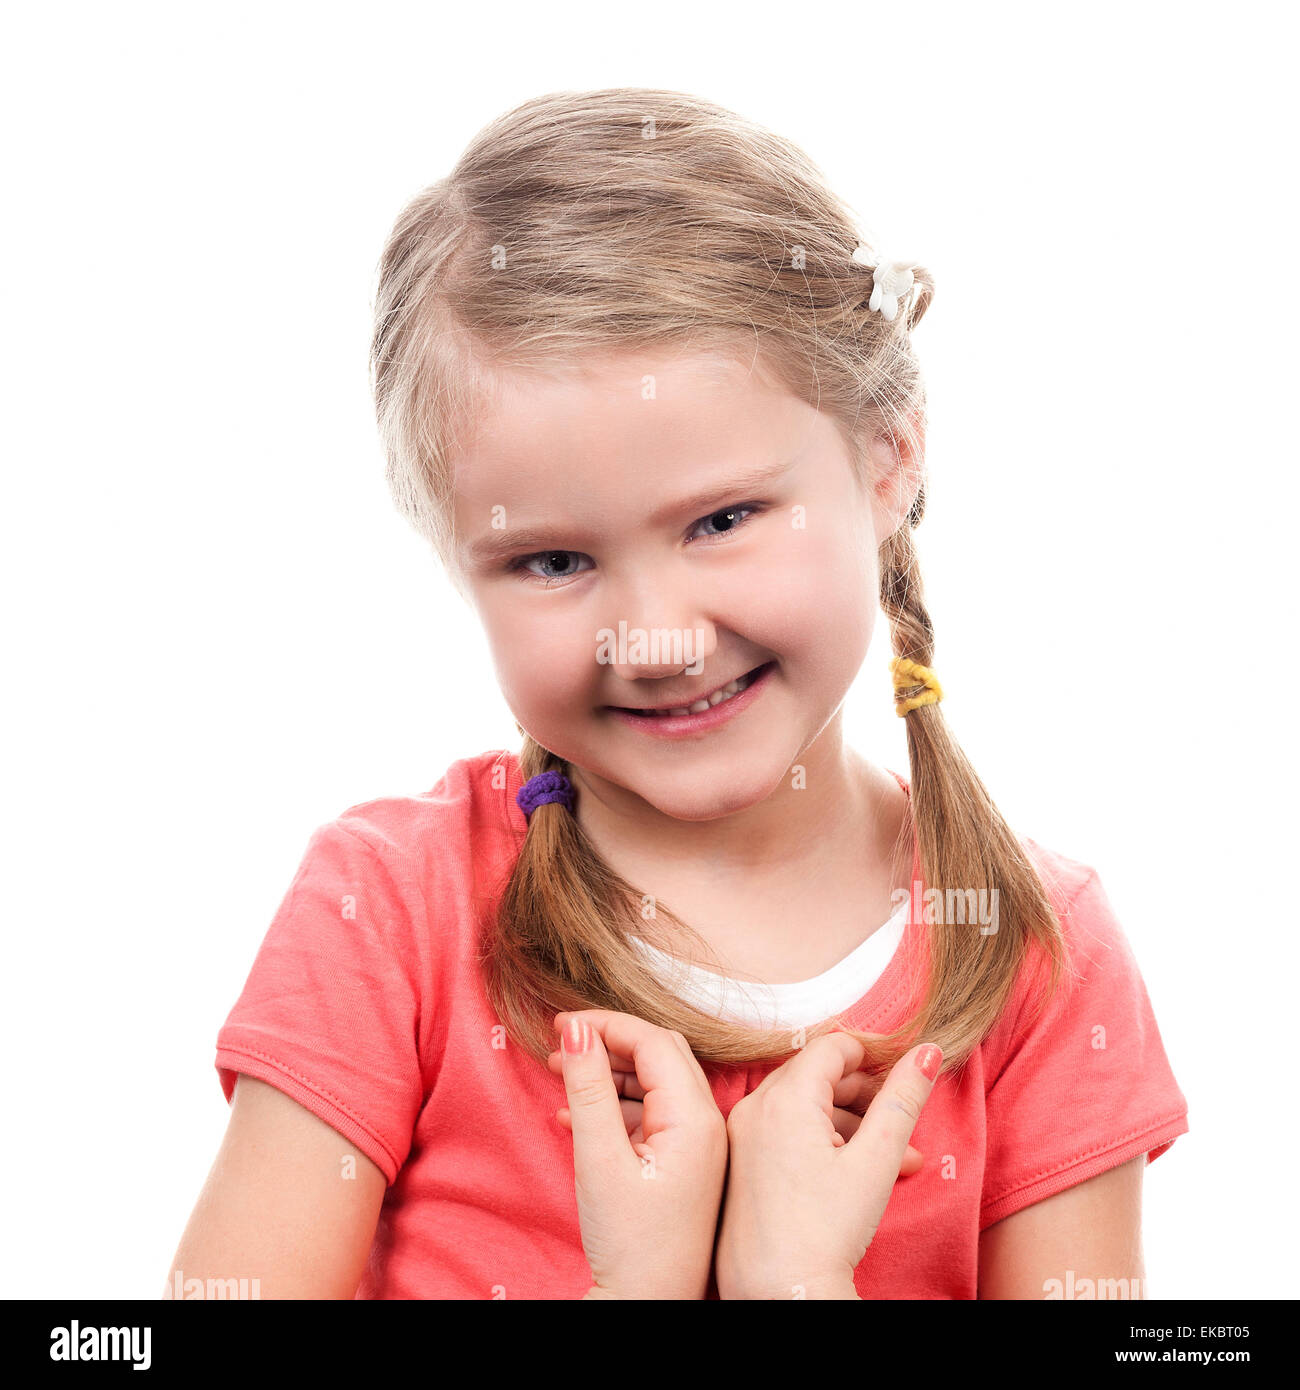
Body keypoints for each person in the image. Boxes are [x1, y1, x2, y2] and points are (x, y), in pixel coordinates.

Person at [167, 87, 1187, 1300]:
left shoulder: (1035, 955)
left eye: (722, 519)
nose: (653, 639)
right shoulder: (388, 913)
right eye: (553, 560)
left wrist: (794, 1285)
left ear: (888, 460)